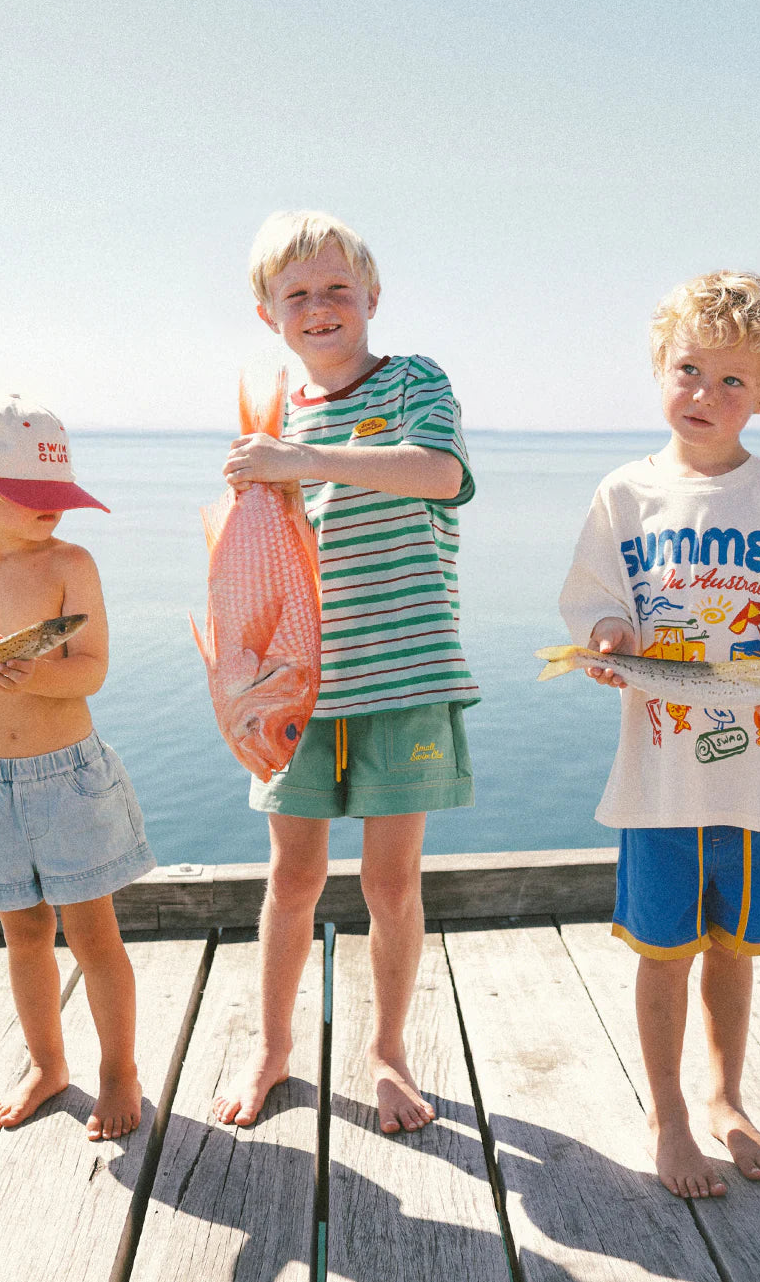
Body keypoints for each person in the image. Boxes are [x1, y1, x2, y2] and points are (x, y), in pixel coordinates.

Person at [559, 272, 760, 1199]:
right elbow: (596, 602)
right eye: (690, 369)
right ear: (660, 367)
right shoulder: (624, 494)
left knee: (734, 945)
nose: (707, 394)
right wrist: (607, 640)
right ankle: (668, 1112)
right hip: (659, 780)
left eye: (735, 381)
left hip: (759, 780)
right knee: (665, 949)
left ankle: (727, 1095)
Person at [212, 210, 479, 1134]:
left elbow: (439, 472)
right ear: (267, 314)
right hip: (299, 691)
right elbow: (254, 564)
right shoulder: (275, 416)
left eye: (337, 289)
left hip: (403, 681)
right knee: (292, 876)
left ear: (372, 296)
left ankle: (387, 1052)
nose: (319, 307)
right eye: (298, 295)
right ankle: (274, 1045)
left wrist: (303, 459)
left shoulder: (414, 382)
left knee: (390, 883)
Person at [0, 394, 156, 1140]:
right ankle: (48, 1062)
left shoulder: (70, 563)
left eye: (60, 496)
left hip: (68, 779)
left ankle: (119, 1068)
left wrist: (34, 674)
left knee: (93, 934)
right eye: (34, 497)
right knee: (23, 932)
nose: (56, 511)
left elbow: (93, 668)